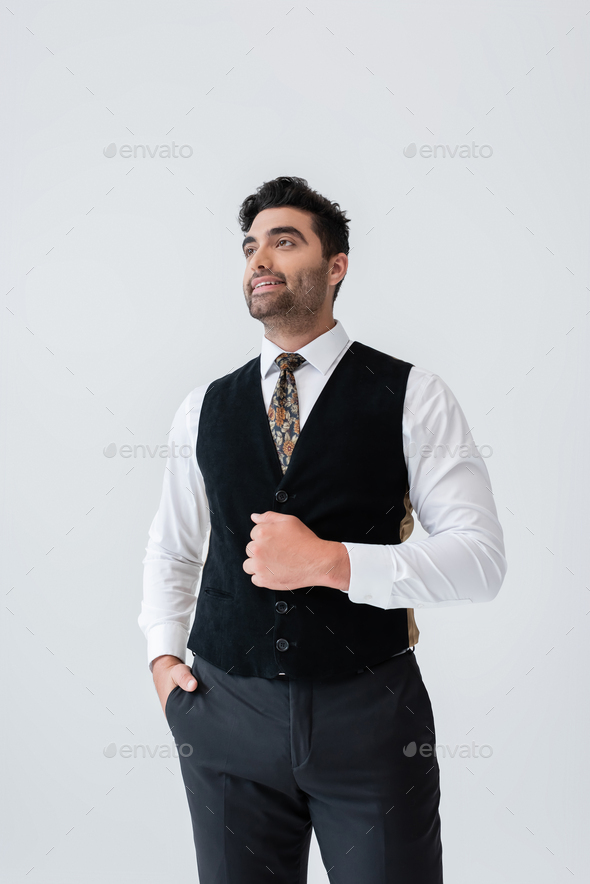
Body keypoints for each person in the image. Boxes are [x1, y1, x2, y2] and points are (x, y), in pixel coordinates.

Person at [139, 175, 507, 883]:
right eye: (249, 247)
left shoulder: (412, 395)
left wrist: (332, 562)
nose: (259, 261)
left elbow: (481, 560)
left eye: (284, 241)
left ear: (336, 266)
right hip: (223, 714)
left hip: (370, 717)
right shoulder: (201, 408)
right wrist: (162, 657)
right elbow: (174, 546)